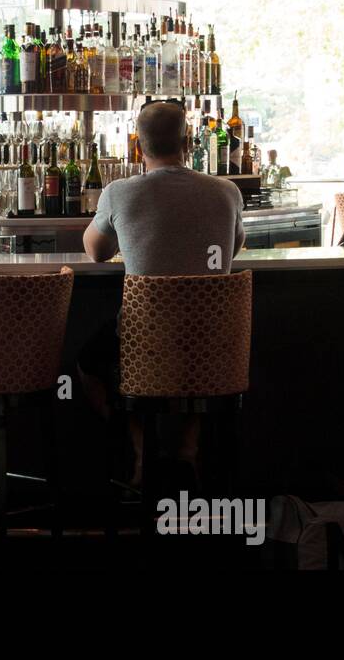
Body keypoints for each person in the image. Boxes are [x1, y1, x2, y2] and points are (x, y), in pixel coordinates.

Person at [80, 101, 245, 488]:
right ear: (187, 143)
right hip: (217, 344)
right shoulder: (226, 191)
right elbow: (232, 249)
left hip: (146, 344)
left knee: (90, 364)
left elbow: (96, 251)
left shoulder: (119, 193)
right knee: (196, 353)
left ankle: (138, 452)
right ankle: (187, 449)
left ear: (138, 146)